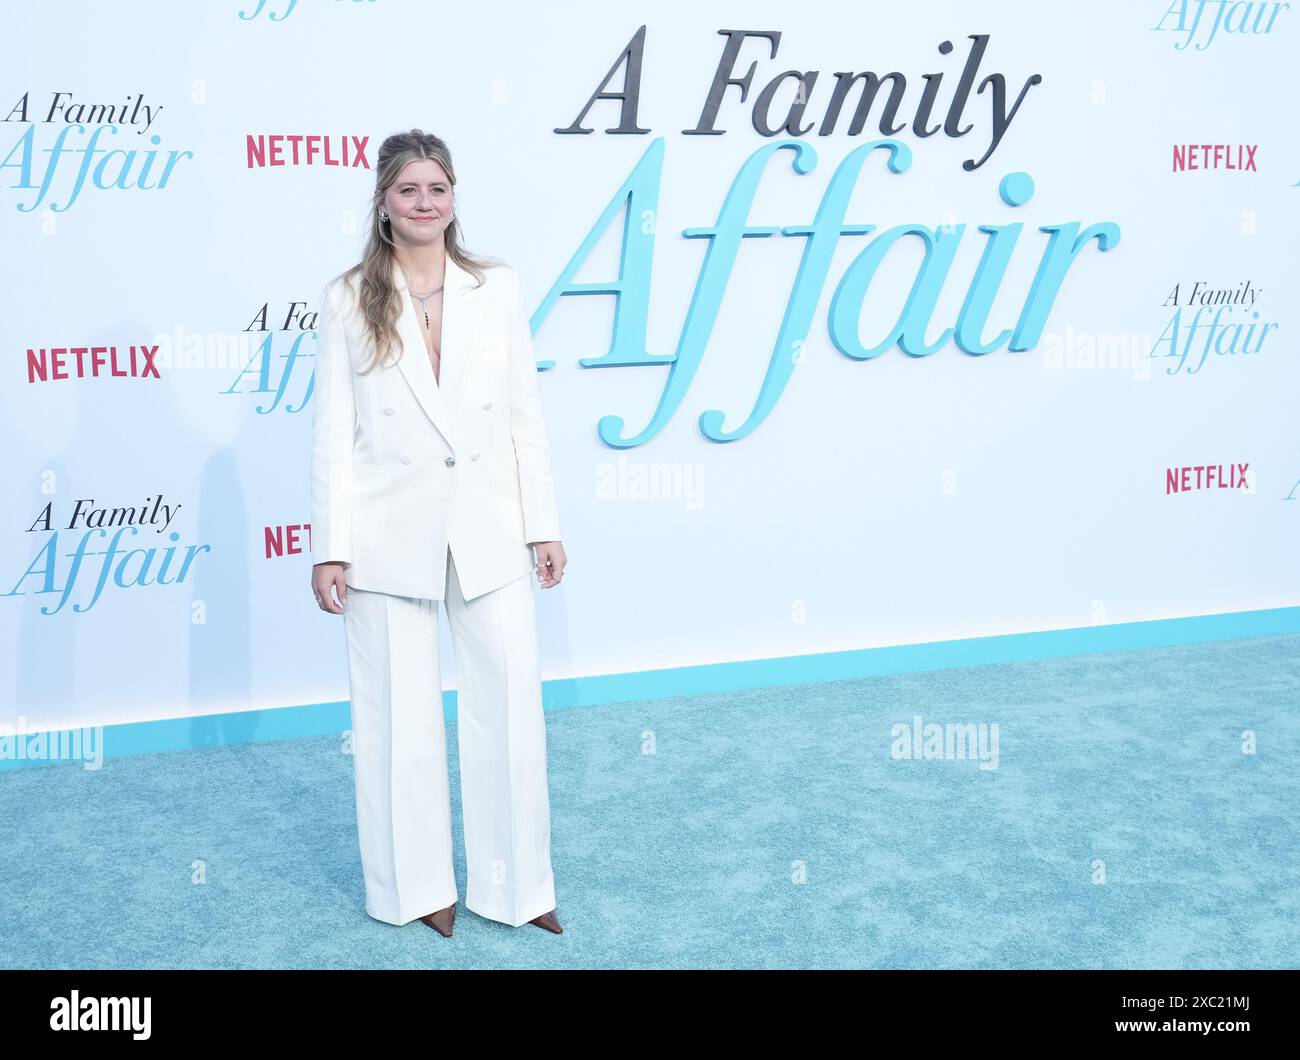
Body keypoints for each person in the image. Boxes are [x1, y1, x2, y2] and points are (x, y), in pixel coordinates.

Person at [308, 128, 567, 937]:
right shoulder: (348, 296)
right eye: (409, 190)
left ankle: (519, 890)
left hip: (489, 531)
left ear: (454, 199)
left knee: (512, 710)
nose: (426, 203)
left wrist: (543, 526)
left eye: (438, 189)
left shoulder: (497, 287)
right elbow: (332, 432)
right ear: (383, 203)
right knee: (395, 722)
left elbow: (525, 414)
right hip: (387, 539)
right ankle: (414, 892)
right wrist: (331, 546)